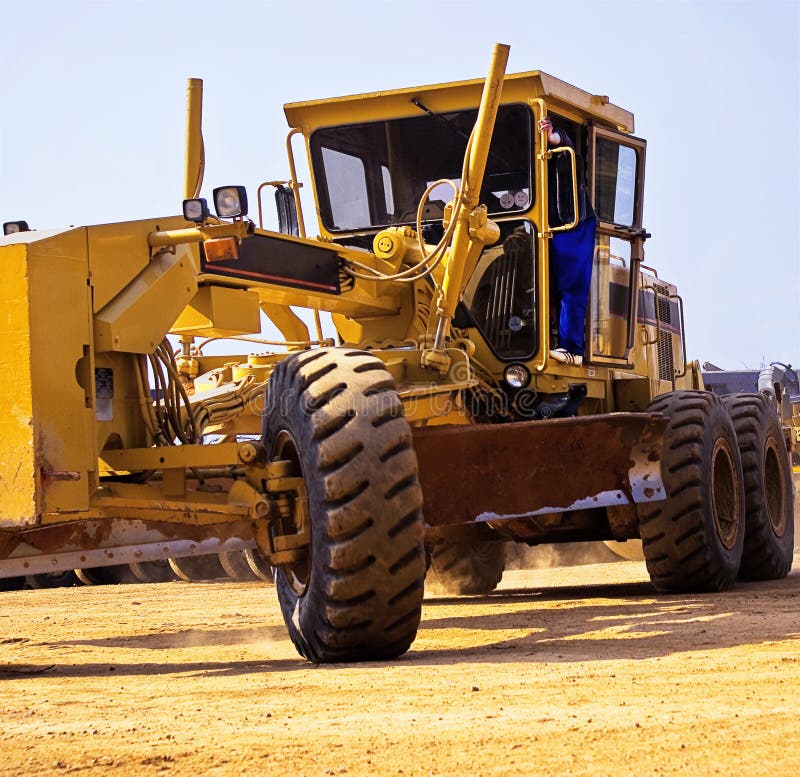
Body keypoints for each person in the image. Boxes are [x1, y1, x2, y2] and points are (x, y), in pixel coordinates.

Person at [538, 116, 597, 367]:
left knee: (570, 285)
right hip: (548, 224)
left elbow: (563, 143)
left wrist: (552, 135)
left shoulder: (563, 155)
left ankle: (573, 349)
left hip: (573, 222)